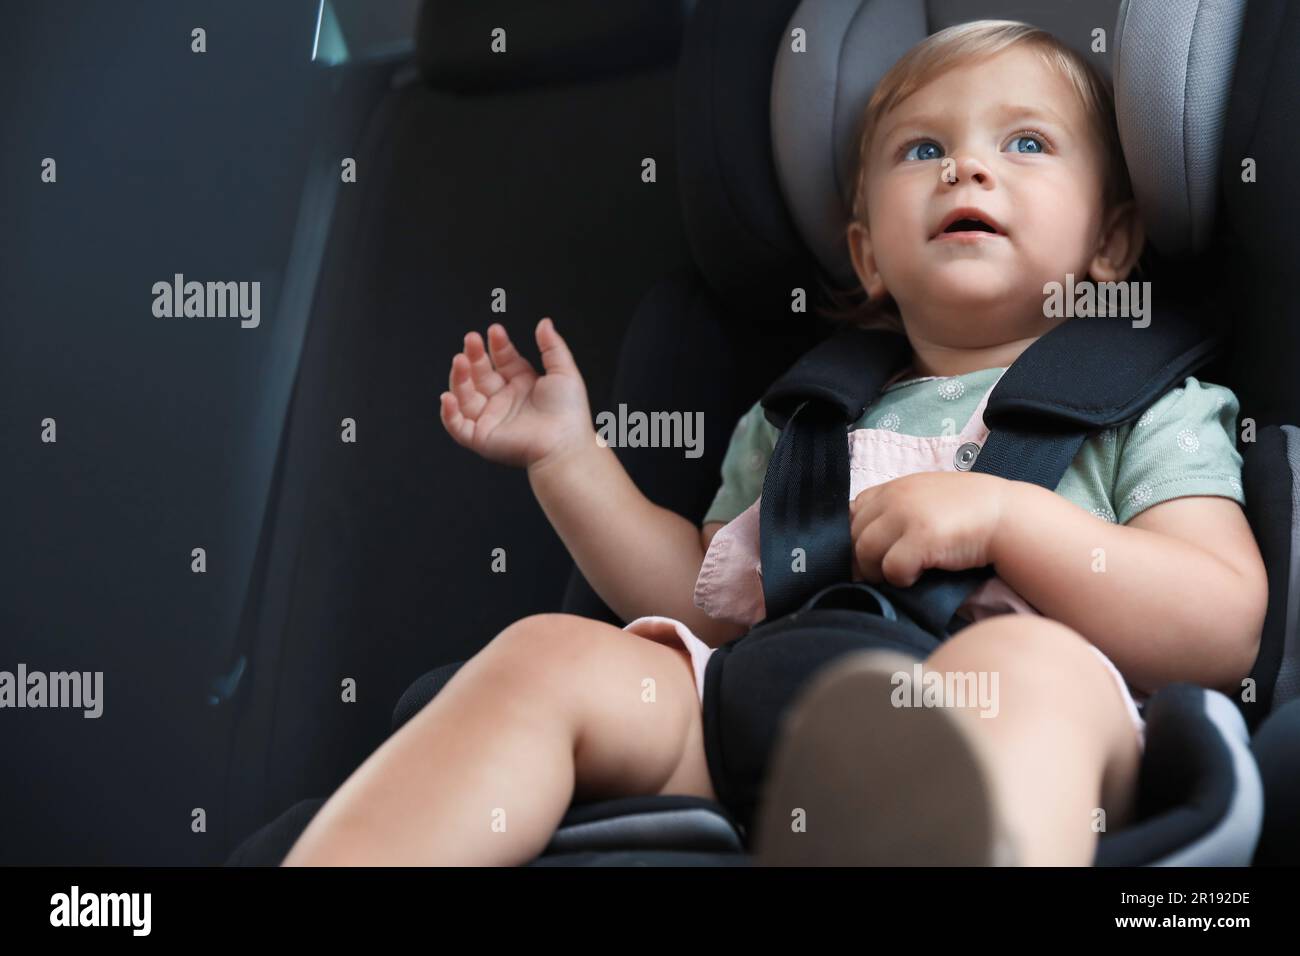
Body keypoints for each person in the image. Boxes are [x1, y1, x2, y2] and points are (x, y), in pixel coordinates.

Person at [282, 20, 1266, 867]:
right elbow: (700, 597)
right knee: (548, 652)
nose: (967, 165)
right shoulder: (803, 419)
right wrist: (568, 458)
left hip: (1024, 708)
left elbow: (1220, 623)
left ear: (1110, 241)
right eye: (922, 150)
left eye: (1025, 143)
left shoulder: (1153, 406)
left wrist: (1008, 517)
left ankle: (938, 828)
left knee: (1024, 669)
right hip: (761, 709)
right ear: (866, 252)